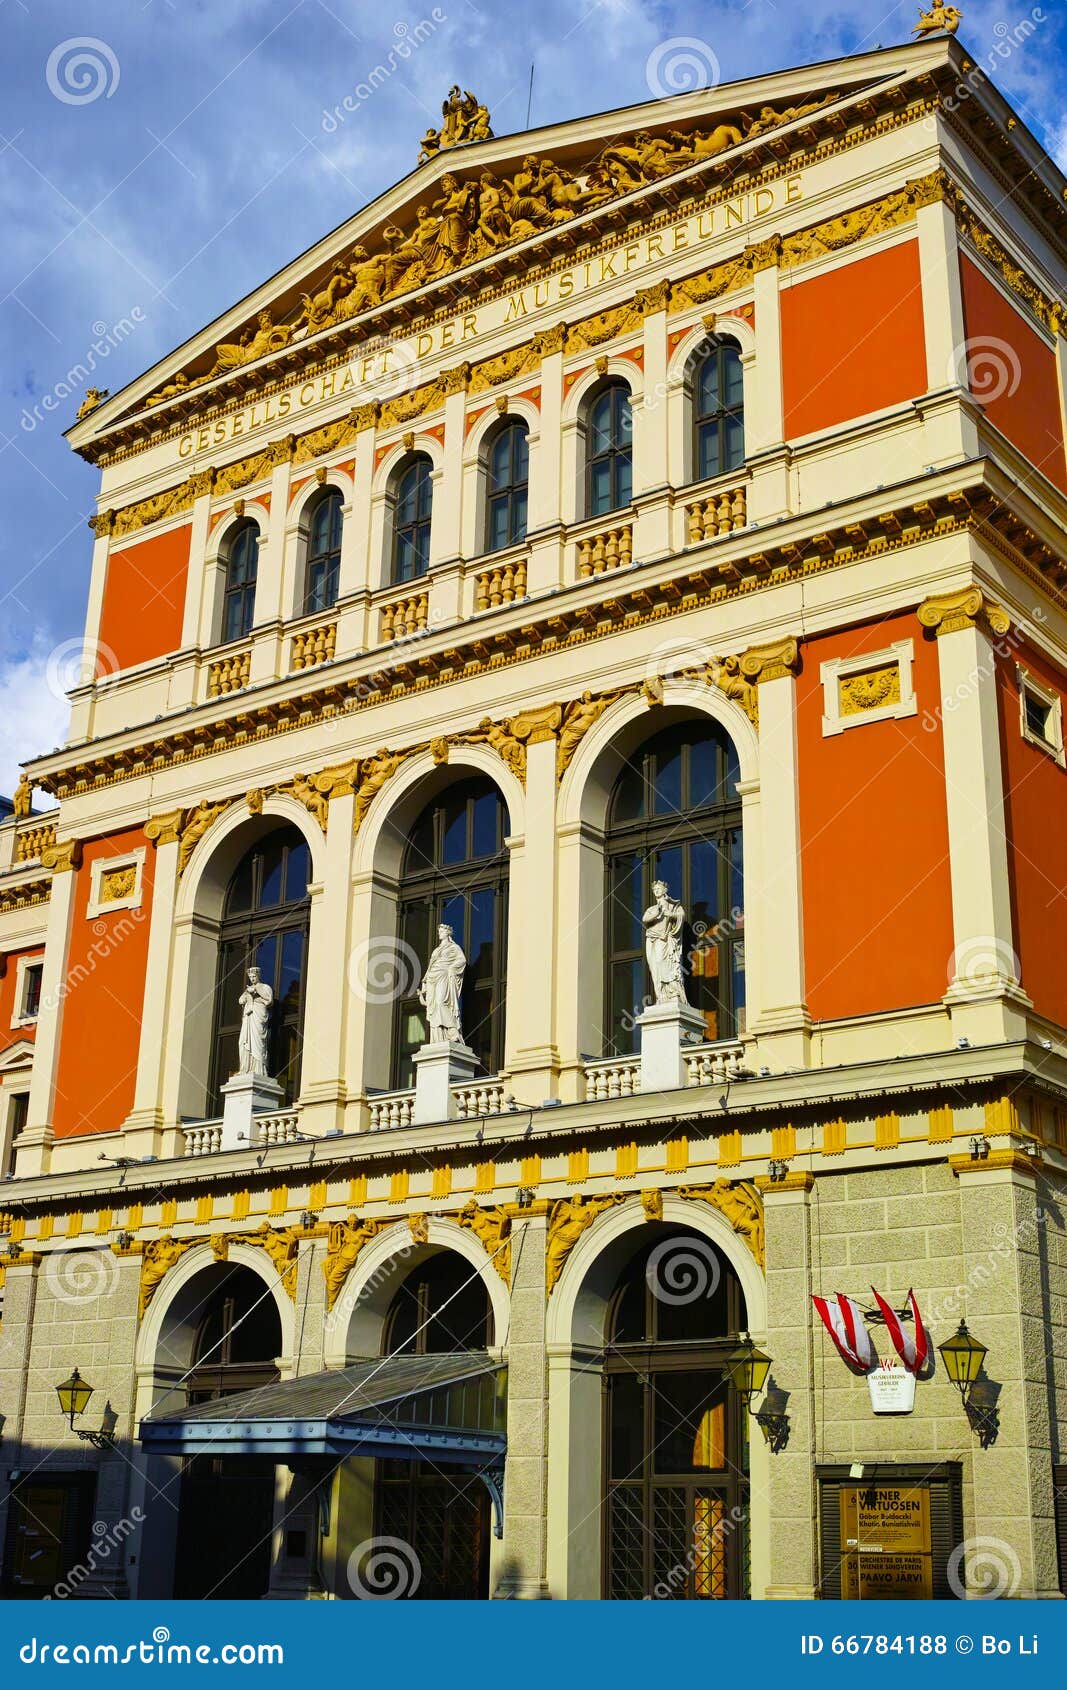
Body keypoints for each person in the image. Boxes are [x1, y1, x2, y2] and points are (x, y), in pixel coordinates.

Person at [643, 880, 688, 1005]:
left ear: (665, 890)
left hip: (665, 940)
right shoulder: (652, 909)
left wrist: (671, 914)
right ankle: (661, 993)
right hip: (653, 939)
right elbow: (645, 919)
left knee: (665, 963)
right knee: (655, 966)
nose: (656, 891)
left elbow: (681, 916)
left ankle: (672, 991)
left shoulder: (675, 906)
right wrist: (657, 913)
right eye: (655, 889)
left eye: (659, 888)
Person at [419, 923, 466, 1042]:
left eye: (442, 931)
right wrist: (425, 979)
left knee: (440, 1002)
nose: (439, 933)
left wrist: (452, 968)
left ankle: (453, 1030)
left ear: (448, 933)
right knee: (433, 1006)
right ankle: (439, 1037)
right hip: (432, 977)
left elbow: (462, 960)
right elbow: (431, 965)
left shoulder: (454, 947)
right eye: (439, 931)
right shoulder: (436, 950)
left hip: (443, 975)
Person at [237, 965, 273, 1077]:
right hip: (248, 1016)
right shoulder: (247, 989)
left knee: (257, 1041)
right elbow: (240, 1000)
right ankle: (245, 1068)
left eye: (254, 976)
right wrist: (246, 996)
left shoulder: (265, 987)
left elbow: (269, 1000)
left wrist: (256, 991)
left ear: (258, 976)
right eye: (250, 977)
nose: (252, 979)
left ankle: (258, 1069)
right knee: (243, 1041)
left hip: (258, 1014)